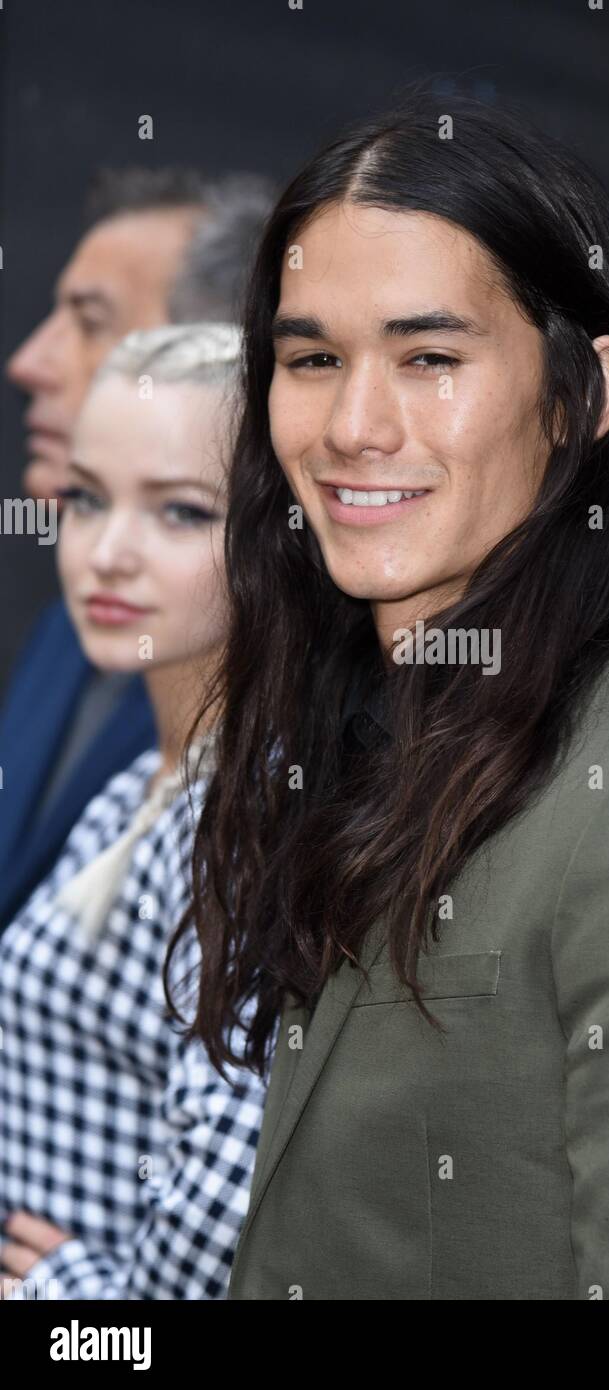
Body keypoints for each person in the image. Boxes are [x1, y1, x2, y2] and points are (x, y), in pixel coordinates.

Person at [170, 89, 609, 1301]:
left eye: (430, 357)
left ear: (582, 396)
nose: (353, 423)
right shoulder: (348, 736)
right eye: (312, 359)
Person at [0, 323, 267, 1300]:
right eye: (85, 498)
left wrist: (74, 1300)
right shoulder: (152, 780)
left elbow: (240, 1182)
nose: (107, 552)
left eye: (182, 512)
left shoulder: (238, 813)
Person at [0, 169, 274, 933]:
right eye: (90, 502)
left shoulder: (283, 762)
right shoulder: (70, 625)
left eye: (90, 322)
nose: (29, 362)